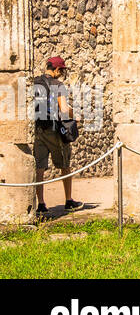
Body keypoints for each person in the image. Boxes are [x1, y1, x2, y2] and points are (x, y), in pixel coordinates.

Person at [32, 56, 84, 215]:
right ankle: (69, 201)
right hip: (55, 130)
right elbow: (63, 108)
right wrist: (74, 114)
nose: (62, 74)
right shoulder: (58, 85)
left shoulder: (35, 82)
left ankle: (40, 204)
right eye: (61, 70)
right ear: (56, 69)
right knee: (64, 164)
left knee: (39, 168)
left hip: (39, 129)